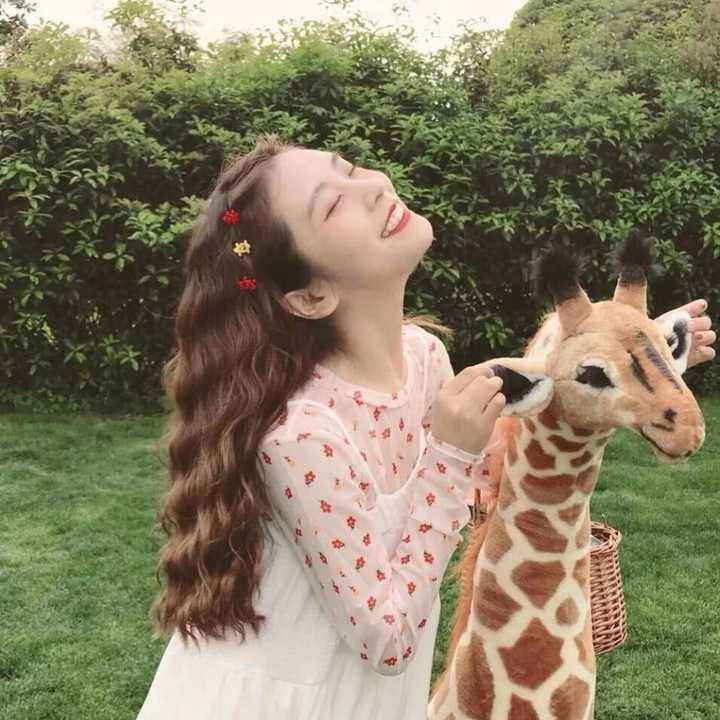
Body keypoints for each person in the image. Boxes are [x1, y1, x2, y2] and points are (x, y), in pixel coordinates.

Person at [135, 134, 716, 720]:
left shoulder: (422, 355)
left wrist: (645, 363)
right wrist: (450, 458)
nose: (371, 185)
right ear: (310, 296)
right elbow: (387, 640)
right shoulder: (302, 437)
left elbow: (518, 445)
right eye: (331, 205)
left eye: (350, 168)